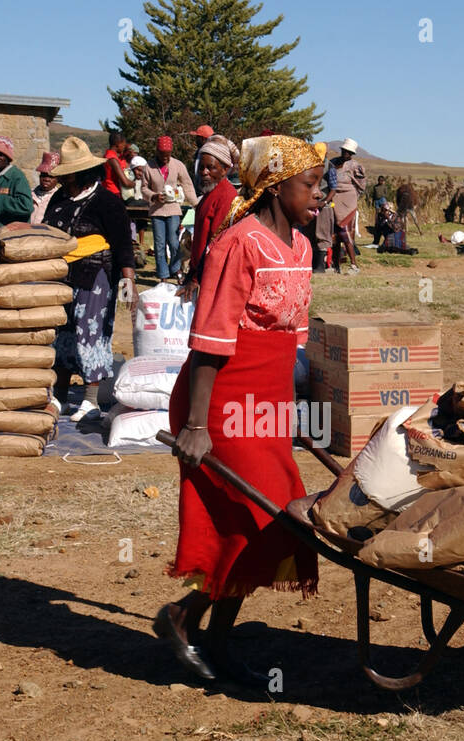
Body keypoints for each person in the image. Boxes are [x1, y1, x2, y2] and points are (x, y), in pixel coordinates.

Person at [156, 134, 324, 685]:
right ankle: (185, 619)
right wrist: (198, 426)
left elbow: (290, 344)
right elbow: (209, 341)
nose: (319, 195)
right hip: (221, 398)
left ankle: (212, 635)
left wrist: (291, 414)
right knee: (252, 516)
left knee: (278, 522)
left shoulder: (300, 247)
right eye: (310, 184)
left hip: (268, 397)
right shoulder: (239, 244)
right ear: (276, 185)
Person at [41, 137, 137, 422]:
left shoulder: (107, 201)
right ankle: (58, 395)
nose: (63, 180)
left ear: (78, 173)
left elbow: (123, 243)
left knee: (90, 332)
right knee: (62, 333)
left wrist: (128, 280)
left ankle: (91, 401)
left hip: (96, 276)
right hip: (62, 277)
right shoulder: (59, 199)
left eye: (67, 174)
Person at [180, 135, 239, 299]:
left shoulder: (226, 197)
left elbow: (216, 244)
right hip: (201, 272)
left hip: (212, 278)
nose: (204, 172)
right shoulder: (209, 193)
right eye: (202, 167)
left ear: (225, 169)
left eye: (211, 167)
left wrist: (196, 278)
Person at [145, 135, 198, 284]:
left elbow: (187, 184)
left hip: (174, 209)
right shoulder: (148, 167)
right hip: (157, 211)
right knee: (160, 243)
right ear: (157, 151)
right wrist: (153, 196)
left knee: (174, 242)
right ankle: (163, 274)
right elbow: (143, 188)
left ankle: (176, 269)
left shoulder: (178, 165)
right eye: (163, 155)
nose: (166, 159)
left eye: (168, 155)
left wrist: (195, 204)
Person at [330, 138, 366, 273]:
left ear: (352, 154)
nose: (346, 153)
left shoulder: (355, 166)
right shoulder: (333, 162)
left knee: (344, 231)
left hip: (348, 200)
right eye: (345, 151)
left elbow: (362, 185)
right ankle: (336, 265)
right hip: (335, 198)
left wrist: (354, 197)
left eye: (349, 152)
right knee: (334, 233)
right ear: (342, 150)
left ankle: (354, 265)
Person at [0, 137, 33, 226]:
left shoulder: (17, 177)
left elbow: (26, 206)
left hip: (14, 234)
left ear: (8, 157)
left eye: (0, 155)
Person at [31, 151, 62, 224]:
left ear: (58, 179)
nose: (46, 179)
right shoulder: (29, 195)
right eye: (43, 175)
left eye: (51, 177)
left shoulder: (58, 199)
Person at [103, 131, 135, 197]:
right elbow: (125, 182)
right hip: (113, 193)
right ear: (118, 144)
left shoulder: (107, 155)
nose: (124, 147)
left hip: (107, 190)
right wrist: (135, 184)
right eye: (123, 144)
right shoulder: (112, 159)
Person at [189, 124, 214, 192]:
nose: (195, 140)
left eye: (197, 137)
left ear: (203, 139)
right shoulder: (198, 153)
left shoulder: (212, 154)